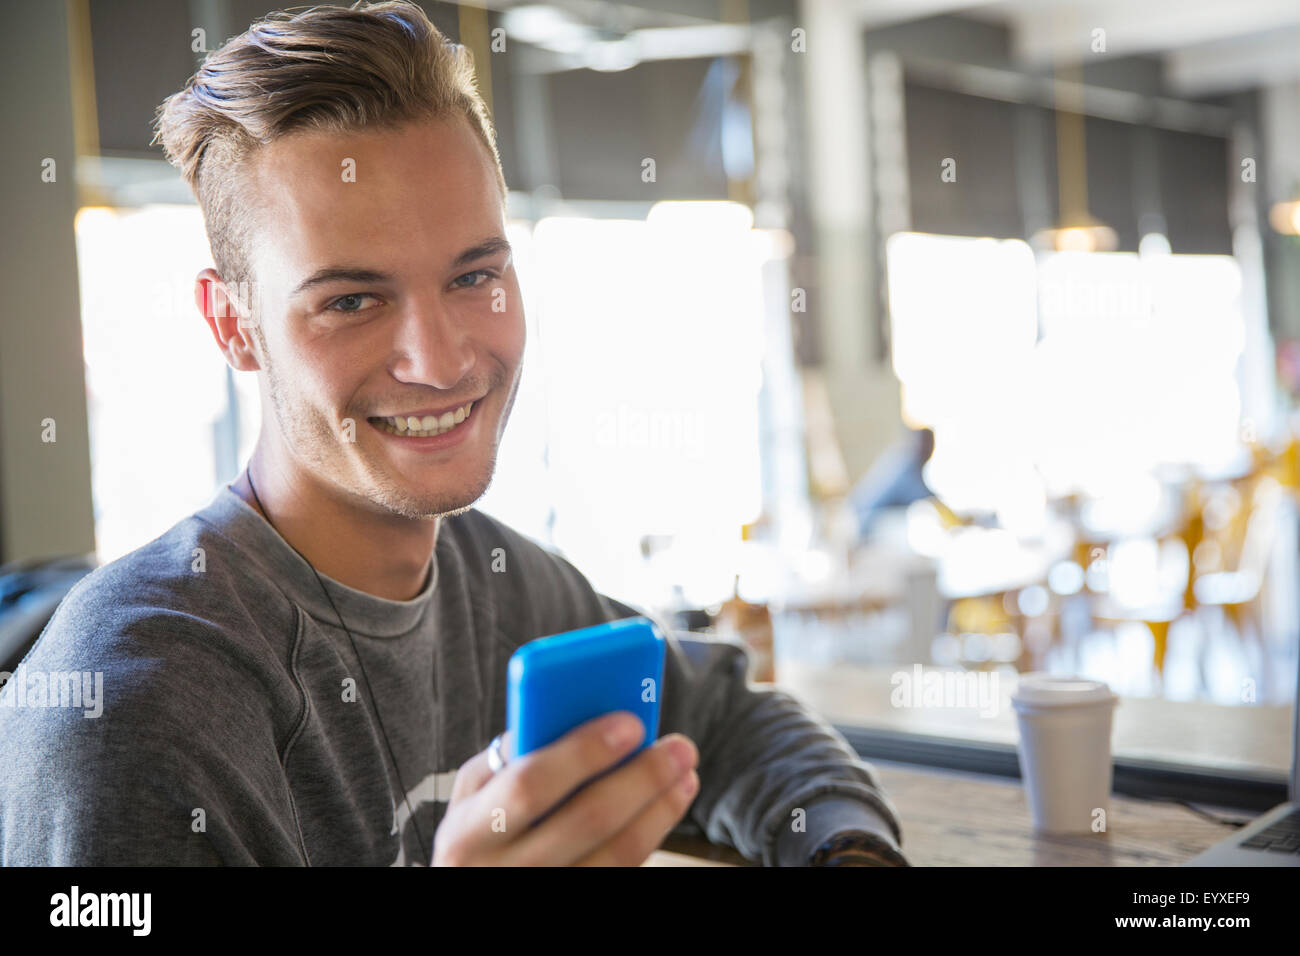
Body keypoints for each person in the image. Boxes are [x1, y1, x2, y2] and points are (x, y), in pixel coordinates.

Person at [0, 0, 906, 867]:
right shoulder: (131, 709)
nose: (437, 361)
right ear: (232, 322)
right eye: (351, 300)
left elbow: (727, 720)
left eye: (474, 277)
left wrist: (847, 850)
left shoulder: (497, 588)